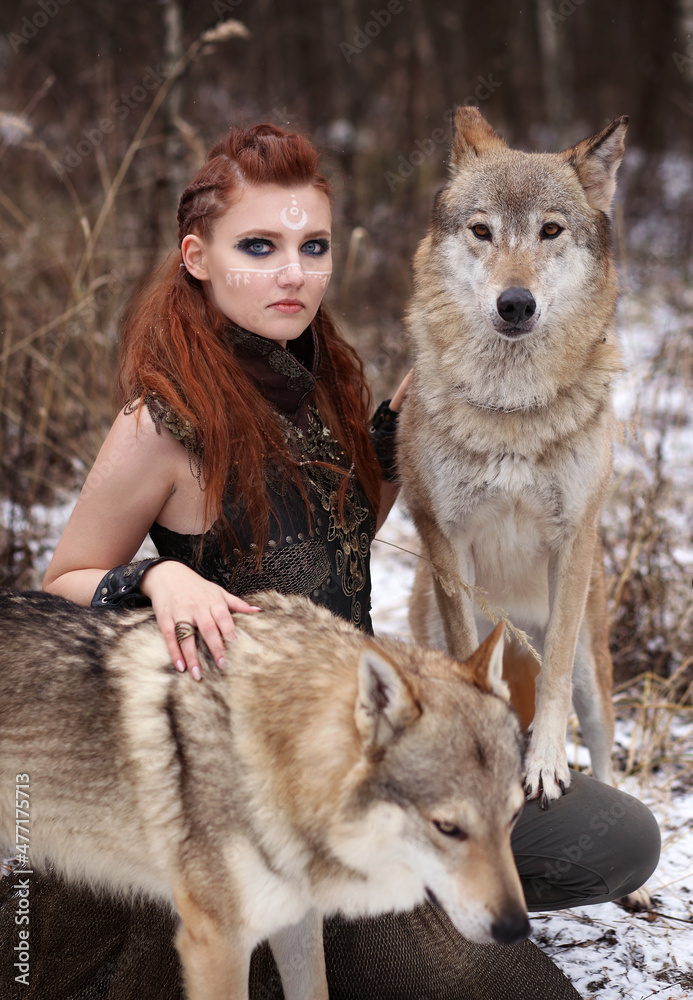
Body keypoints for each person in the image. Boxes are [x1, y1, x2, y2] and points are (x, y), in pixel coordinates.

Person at [0, 124, 659, 1000]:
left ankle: (414, 894)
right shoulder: (159, 426)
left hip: (388, 749)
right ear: (197, 258)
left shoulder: (325, 379)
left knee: (615, 836)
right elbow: (63, 579)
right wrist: (159, 576)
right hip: (258, 782)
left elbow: (346, 524)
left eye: (311, 247)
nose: (293, 273)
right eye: (259, 248)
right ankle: (275, 937)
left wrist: (411, 427)